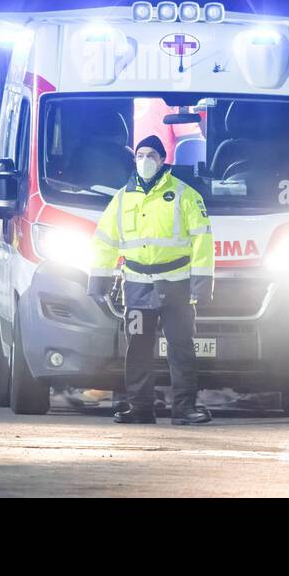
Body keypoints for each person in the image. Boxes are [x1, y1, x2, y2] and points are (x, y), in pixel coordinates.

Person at [89, 135, 214, 425]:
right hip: (137, 285)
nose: (145, 160)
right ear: (134, 159)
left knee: (181, 347)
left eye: (151, 155)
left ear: (162, 159)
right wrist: (99, 281)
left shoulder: (184, 194)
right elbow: (104, 241)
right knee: (138, 349)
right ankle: (140, 407)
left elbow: (202, 241)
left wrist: (202, 284)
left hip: (176, 285)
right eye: (140, 155)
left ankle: (184, 409)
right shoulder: (122, 198)